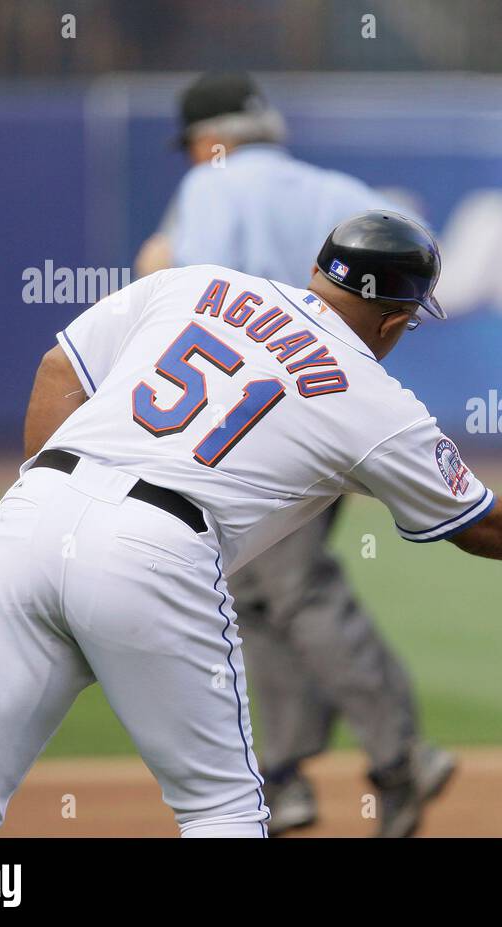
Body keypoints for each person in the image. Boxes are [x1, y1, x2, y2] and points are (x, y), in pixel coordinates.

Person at [0, 211, 502, 838]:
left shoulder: (201, 281)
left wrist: (53, 518)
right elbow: (480, 522)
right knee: (222, 808)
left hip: (33, 509)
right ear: (395, 320)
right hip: (153, 547)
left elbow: (60, 371)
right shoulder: (372, 395)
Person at [136, 71, 451, 837]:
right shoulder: (338, 186)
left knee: (295, 589)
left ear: (209, 141)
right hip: (330, 415)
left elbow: (194, 298)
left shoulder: (211, 187)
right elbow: (414, 261)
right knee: (252, 593)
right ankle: (284, 773)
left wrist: (155, 266)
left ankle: (401, 751)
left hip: (246, 430)